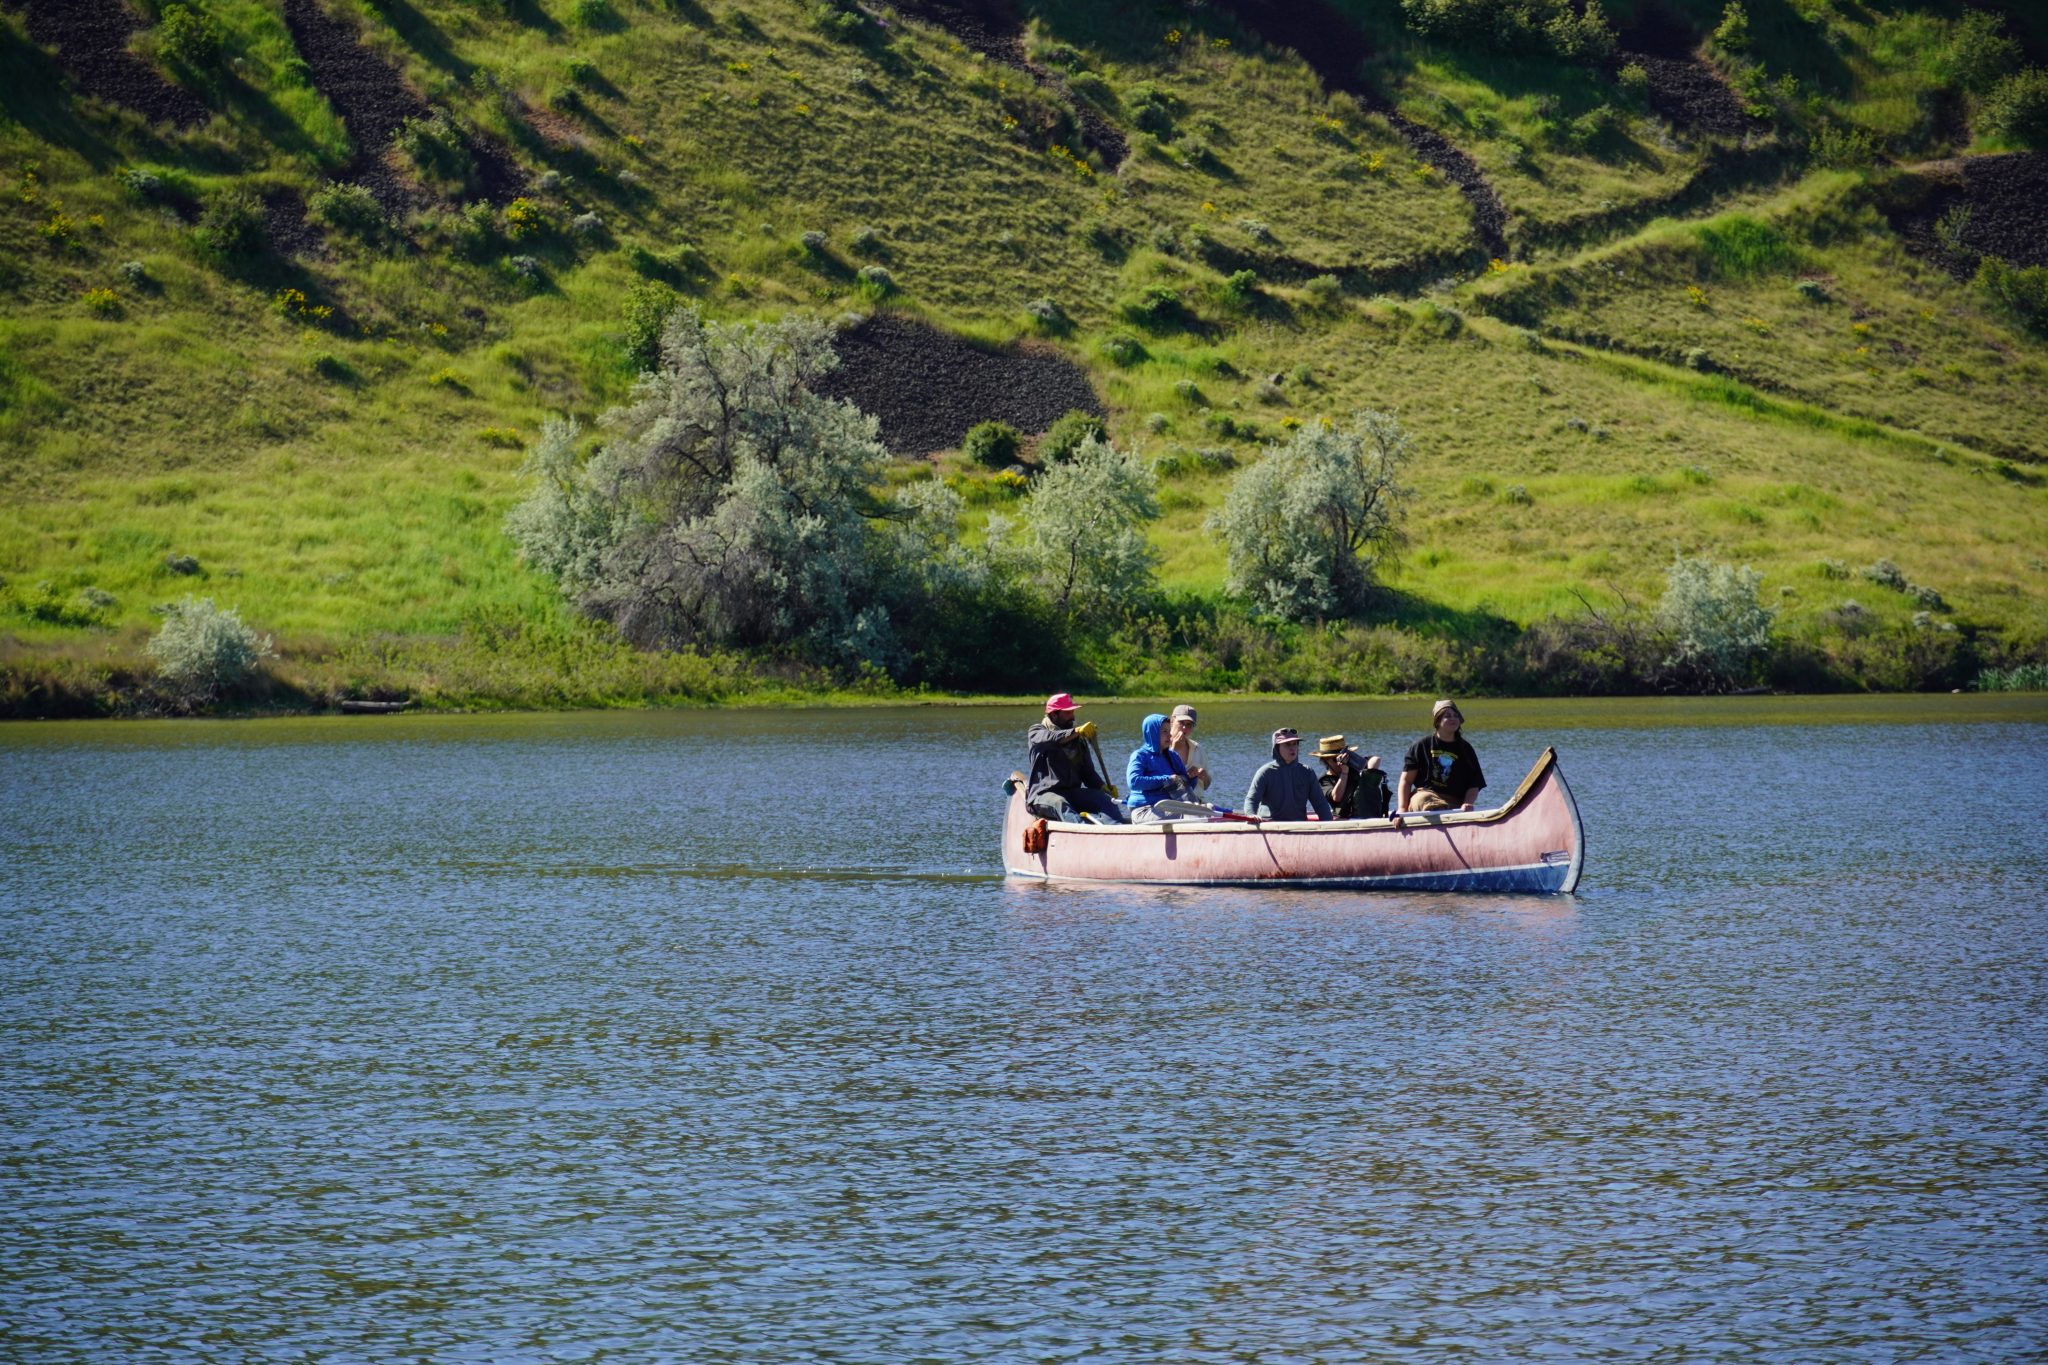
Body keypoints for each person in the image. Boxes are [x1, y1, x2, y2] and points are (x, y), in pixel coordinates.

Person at [1025, 692, 1127, 824]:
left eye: (1072, 712)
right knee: (1060, 803)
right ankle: (1082, 832)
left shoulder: (1078, 739)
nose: (1072, 717)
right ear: (1054, 714)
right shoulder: (1036, 732)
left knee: (1104, 800)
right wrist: (1076, 731)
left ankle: (1116, 829)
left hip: (1072, 794)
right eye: (1067, 713)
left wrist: (1102, 787)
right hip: (1043, 796)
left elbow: (1088, 774)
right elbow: (1054, 738)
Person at [1394, 698, 1486, 824]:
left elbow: (1474, 784)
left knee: (1452, 806)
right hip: (1425, 797)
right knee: (1423, 799)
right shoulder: (1421, 745)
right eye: (1448, 716)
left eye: (1455, 716)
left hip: (1454, 803)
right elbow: (1406, 780)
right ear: (1437, 721)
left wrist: (1467, 803)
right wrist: (1402, 809)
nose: (1453, 719)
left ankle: (1444, 809)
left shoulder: (1466, 749)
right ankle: (1438, 808)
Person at [1244, 726, 1334, 822]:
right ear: (1277, 748)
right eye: (1287, 744)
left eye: (1295, 744)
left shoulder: (1307, 772)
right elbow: (1251, 800)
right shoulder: (1265, 772)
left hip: (1298, 825)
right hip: (1270, 825)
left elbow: (1320, 804)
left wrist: (1328, 823)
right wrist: (1251, 815)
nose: (1292, 748)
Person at [1125, 713, 1196, 822]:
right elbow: (1134, 782)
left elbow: (1185, 788)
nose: (1170, 735)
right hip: (1144, 810)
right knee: (1190, 815)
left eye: (1169, 730)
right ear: (1152, 733)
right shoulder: (1140, 756)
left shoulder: (1173, 756)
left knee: (1207, 809)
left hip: (1170, 807)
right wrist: (1166, 779)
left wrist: (1192, 777)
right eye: (1164, 732)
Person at [1313, 734, 1390, 820]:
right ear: (1325, 761)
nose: (1340, 762)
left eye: (1342, 757)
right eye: (1335, 759)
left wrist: (1354, 760)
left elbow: (1376, 759)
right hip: (1343, 816)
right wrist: (1344, 772)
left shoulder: (1354, 769)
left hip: (1366, 813)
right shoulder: (1324, 780)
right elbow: (1336, 797)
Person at [1166, 703, 1212, 796]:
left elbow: (1206, 785)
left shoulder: (1198, 749)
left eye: (1189, 725)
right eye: (1181, 723)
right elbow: (1161, 780)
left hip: (1196, 803)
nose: (1184, 728)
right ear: (1171, 721)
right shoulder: (1161, 746)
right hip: (1170, 803)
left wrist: (1203, 776)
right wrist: (1174, 749)